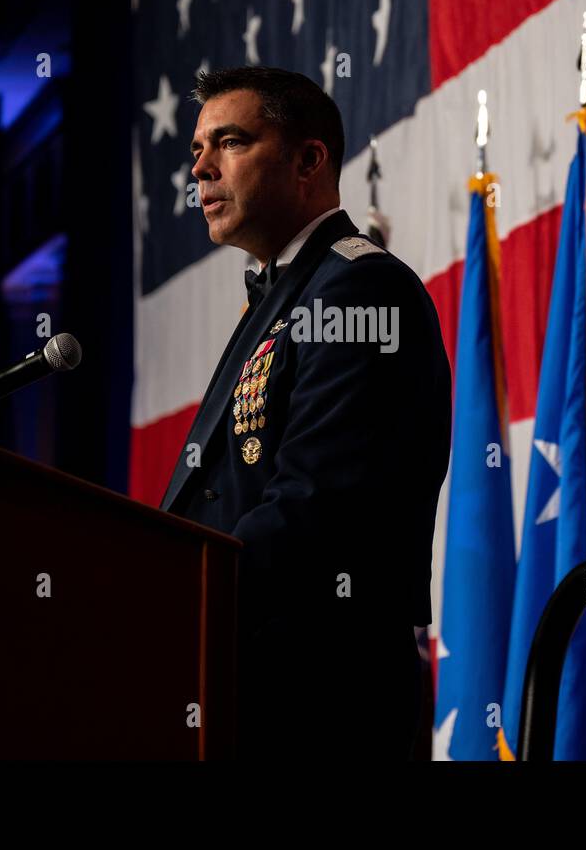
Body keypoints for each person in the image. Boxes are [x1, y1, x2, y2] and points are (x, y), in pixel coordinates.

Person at [160, 66, 451, 760]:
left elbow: (315, 507)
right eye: (196, 151)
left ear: (308, 160)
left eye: (228, 142)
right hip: (254, 683)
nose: (200, 168)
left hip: (319, 698)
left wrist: (168, 601)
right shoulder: (283, 295)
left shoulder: (359, 289)